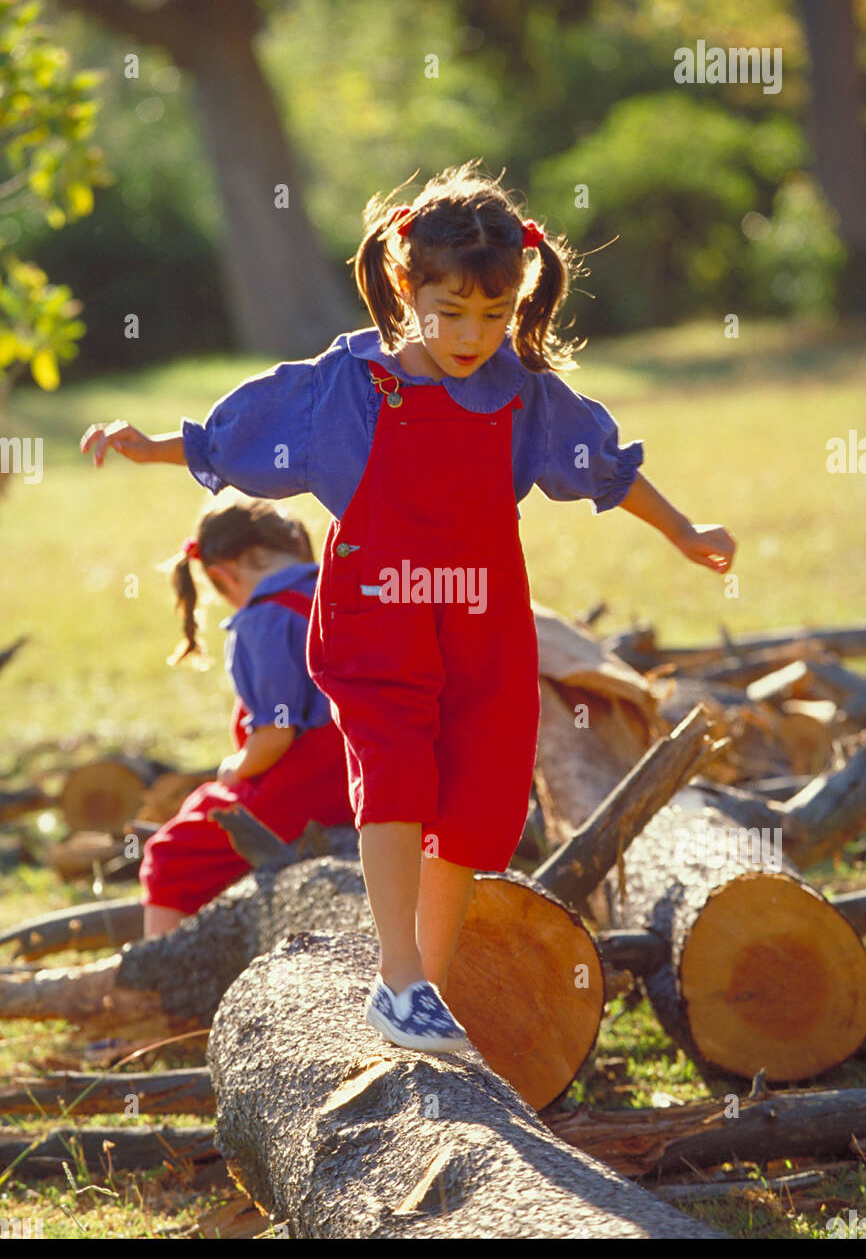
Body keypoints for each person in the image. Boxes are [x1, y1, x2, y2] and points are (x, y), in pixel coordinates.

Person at [81, 159, 735, 1051]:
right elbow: (237, 439)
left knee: (482, 793)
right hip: (378, 610)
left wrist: (685, 528)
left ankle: (426, 982)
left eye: (494, 315)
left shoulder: (520, 393)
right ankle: (397, 976)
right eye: (451, 312)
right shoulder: (347, 387)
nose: (473, 334)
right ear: (404, 282)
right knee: (395, 774)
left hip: (484, 616)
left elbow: (604, 466)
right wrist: (145, 445)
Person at [130, 494, 352, 936]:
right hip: (366, 780)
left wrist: (235, 766)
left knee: (171, 854)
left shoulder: (266, 619)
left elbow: (275, 735)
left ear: (222, 575)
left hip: (307, 790)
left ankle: (157, 982)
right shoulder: (342, 590)